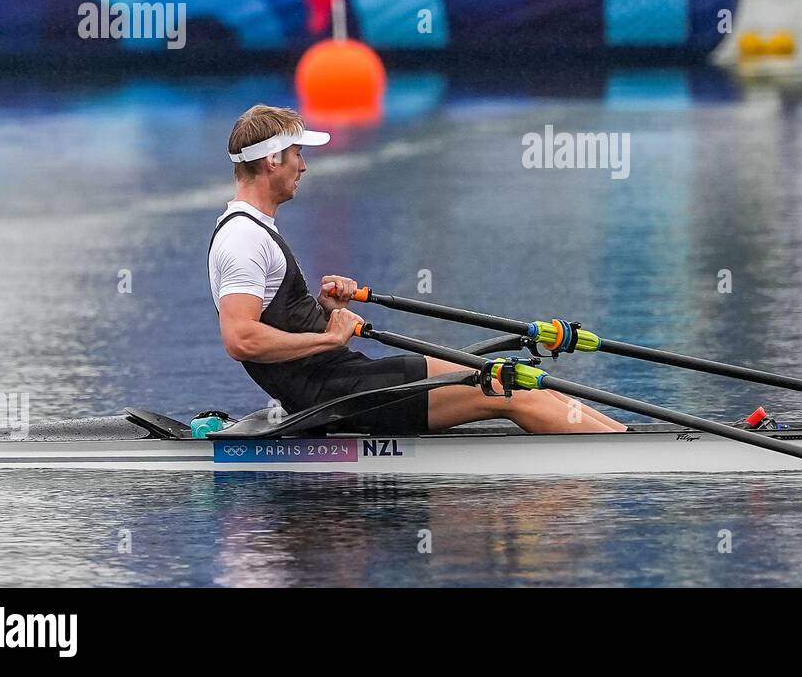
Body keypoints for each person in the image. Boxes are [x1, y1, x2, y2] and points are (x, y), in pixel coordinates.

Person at [208, 104, 625, 435]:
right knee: (507, 389)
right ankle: (630, 458)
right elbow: (241, 338)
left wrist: (322, 311)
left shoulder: (254, 229)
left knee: (518, 378)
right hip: (331, 396)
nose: (303, 166)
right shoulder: (243, 238)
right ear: (273, 159)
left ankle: (625, 438)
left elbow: (273, 320)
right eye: (298, 154)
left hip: (343, 378)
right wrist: (328, 337)